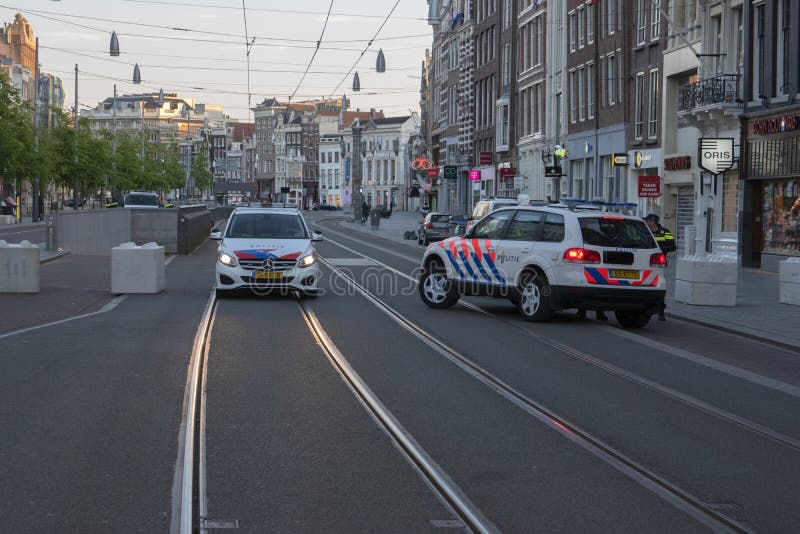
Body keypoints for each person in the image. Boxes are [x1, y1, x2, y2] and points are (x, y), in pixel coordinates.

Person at [644, 213, 676, 321]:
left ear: (652, 222)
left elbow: (672, 246)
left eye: (647, 221)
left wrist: (658, 249)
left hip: (658, 264)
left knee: (660, 286)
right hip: (644, 263)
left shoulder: (664, 232)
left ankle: (661, 312)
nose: (646, 222)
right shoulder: (645, 231)